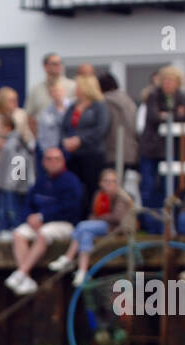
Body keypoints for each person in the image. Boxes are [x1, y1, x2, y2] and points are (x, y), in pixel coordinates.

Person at [6, 147, 83, 296]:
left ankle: (21, 272)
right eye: (49, 159)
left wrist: (42, 217)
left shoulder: (71, 181)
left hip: (63, 224)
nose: (53, 162)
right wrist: (29, 217)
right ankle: (26, 278)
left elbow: (70, 208)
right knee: (18, 234)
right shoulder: (41, 181)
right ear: (43, 162)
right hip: (38, 222)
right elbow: (28, 204)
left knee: (43, 233)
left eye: (57, 159)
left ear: (63, 161)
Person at [48, 167, 134, 287]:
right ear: (101, 183)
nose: (110, 184)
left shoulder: (121, 196)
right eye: (107, 181)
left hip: (114, 228)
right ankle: (83, 272)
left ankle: (68, 258)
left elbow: (117, 217)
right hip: (100, 225)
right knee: (85, 234)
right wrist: (97, 218)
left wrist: (99, 218)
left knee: (82, 226)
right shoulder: (99, 195)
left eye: (113, 181)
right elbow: (94, 213)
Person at [137, 67, 185, 233]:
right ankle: (152, 226)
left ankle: (171, 226)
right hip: (151, 150)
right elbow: (153, 117)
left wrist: (166, 115)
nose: (168, 83)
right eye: (165, 80)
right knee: (149, 187)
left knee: (170, 188)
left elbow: (184, 115)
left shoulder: (181, 96)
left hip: (170, 151)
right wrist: (172, 114)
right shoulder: (153, 95)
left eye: (171, 80)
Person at [0, 86, 35, 234]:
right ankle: (4, 227)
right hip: (2, 161)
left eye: (15, 100)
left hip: (19, 160)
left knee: (17, 191)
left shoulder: (21, 114)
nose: (14, 103)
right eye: (10, 100)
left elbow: (25, 134)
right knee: (4, 194)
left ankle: (17, 226)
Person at [62, 75, 111, 213]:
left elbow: (101, 129)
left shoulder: (99, 106)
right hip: (73, 154)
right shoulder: (73, 106)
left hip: (92, 154)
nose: (76, 90)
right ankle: (76, 215)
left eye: (78, 87)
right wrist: (66, 140)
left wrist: (80, 140)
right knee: (75, 187)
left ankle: (92, 214)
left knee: (91, 186)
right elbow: (65, 126)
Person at [26, 52, 77, 118]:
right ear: (45, 66)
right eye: (55, 64)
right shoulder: (36, 89)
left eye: (60, 63)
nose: (59, 66)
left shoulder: (73, 86)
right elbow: (29, 114)